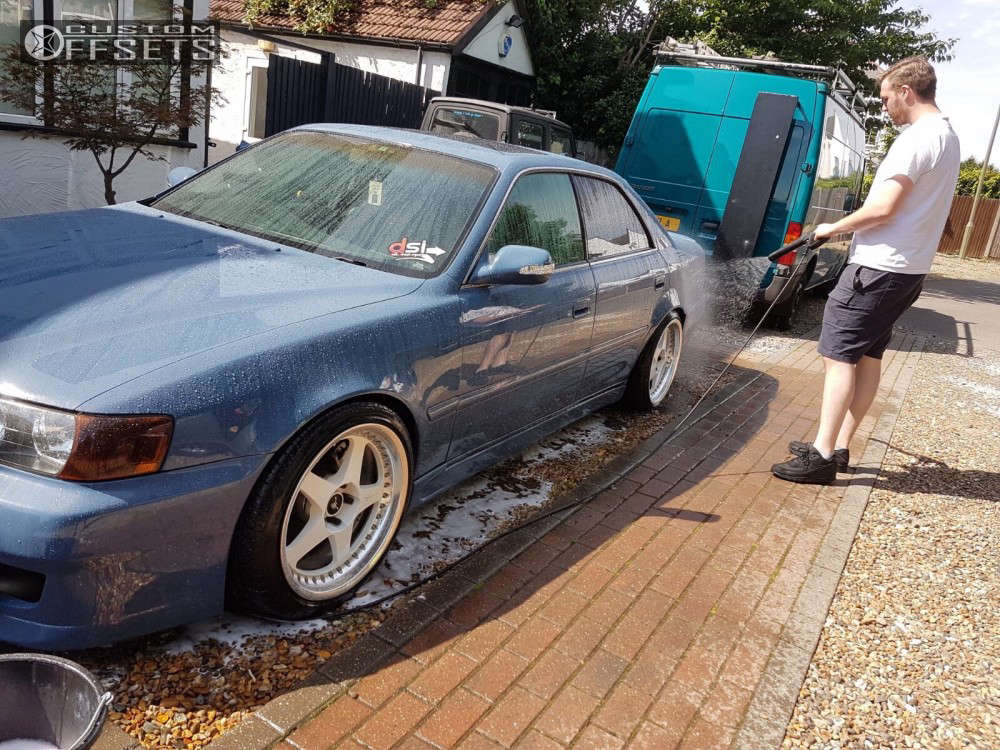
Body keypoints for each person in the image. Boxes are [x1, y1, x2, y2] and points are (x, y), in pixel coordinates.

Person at [772, 56, 961, 485]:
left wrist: (831, 228)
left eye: (886, 98)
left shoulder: (916, 139)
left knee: (837, 357)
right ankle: (839, 445)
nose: (885, 106)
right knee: (869, 355)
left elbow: (882, 209)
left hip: (877, 269)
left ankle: (822, 456)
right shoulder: (947, 136)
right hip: (907, 270)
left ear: (906, 92)